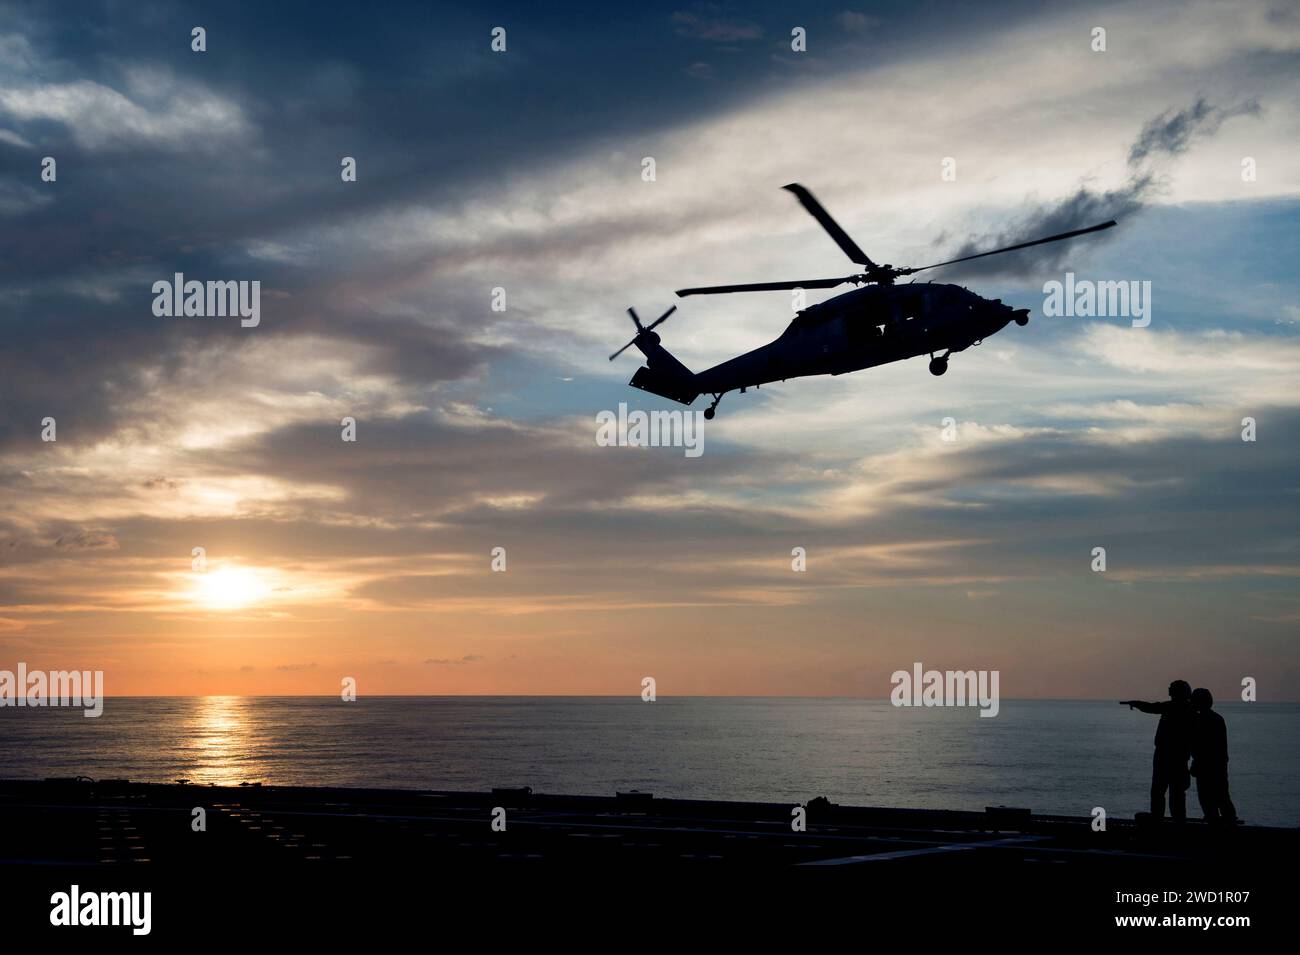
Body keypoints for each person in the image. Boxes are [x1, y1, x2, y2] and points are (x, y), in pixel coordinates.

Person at [1120, 680, 1193, 821]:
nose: (1169, 691)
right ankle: (1177, 821)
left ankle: (1159, 819)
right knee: (1175, 792)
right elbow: (1153, 707)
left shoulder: (1173, 707)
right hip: (1178, 757)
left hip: (1166, 756)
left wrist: (1136, 703)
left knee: (1160, 791)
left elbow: (1152, 707)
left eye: (1171, 689)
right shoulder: (1188, 709)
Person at [1190, 687, 1238, 824]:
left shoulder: (1201, 720)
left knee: (1209, 799)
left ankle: (1216, 823)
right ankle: (1227, 823)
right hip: (1217, 766)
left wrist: (1197, 763)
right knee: (1221, 797)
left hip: (1207, 766)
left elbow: (1201, 746)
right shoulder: (1216, 719)